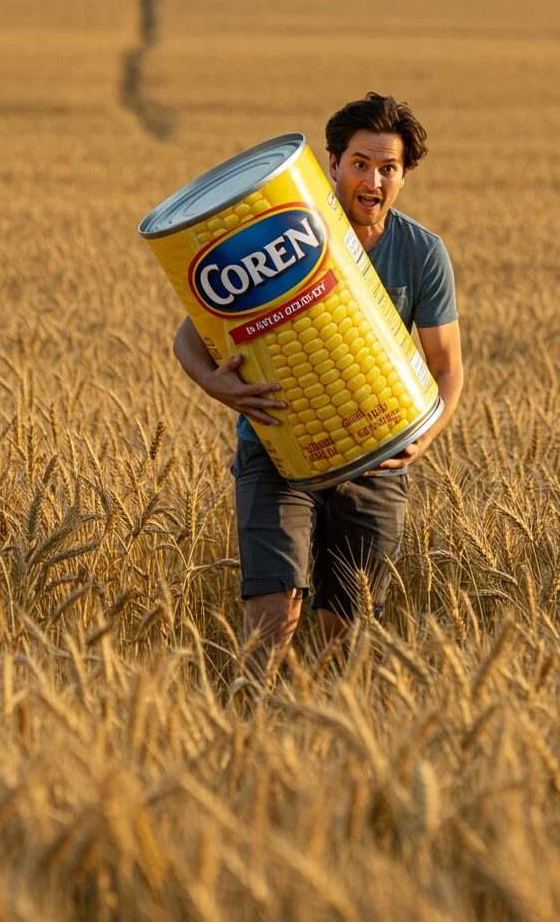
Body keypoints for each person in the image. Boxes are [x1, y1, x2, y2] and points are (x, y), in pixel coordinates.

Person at [172, 93, 463, 682]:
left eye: (387, 168)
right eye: (360, 163)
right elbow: (188, 338)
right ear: (332, 164)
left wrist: (425, 439)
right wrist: (216, 387)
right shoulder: (288, 229)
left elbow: (447, 367)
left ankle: (330, 751)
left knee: (348, 636)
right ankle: (245, 738)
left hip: (378, 461)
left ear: (404, 176)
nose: (372, 179)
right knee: (273, 617)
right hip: (277, 451)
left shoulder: (422, 253)